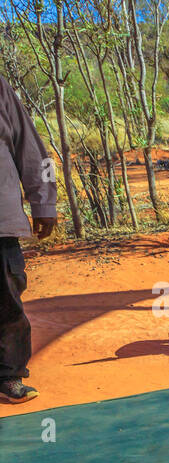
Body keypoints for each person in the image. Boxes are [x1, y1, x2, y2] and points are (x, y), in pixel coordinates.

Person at [0, 74, 58, 404]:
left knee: (6, 298)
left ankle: (7, 375)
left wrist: (44, 202)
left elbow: (31, 147)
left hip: (1, 221)